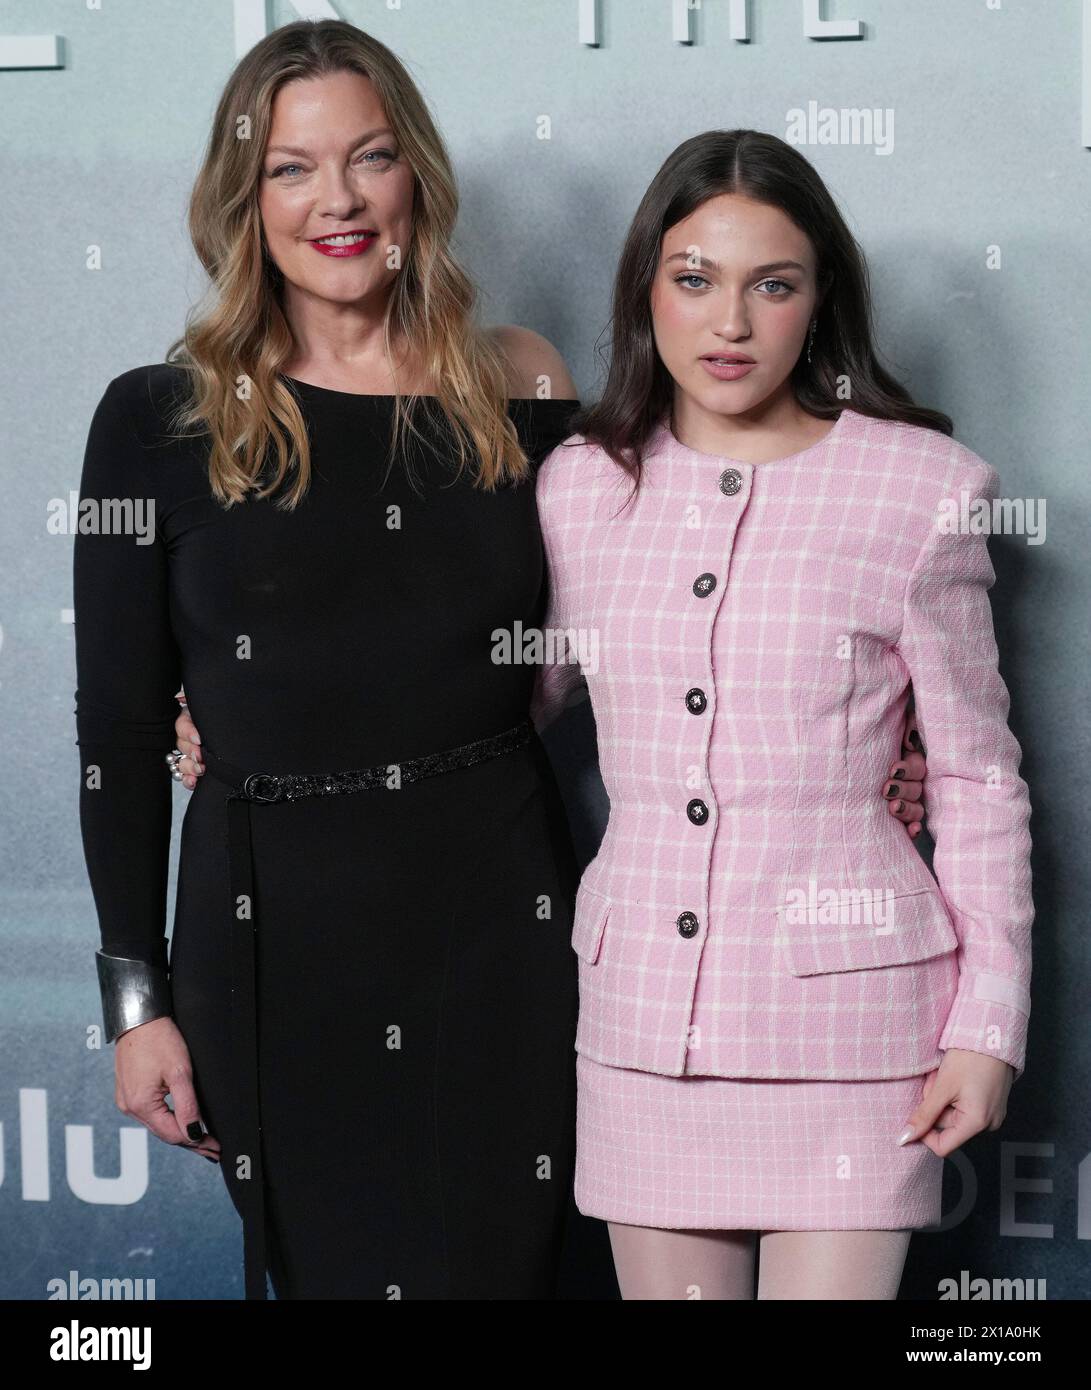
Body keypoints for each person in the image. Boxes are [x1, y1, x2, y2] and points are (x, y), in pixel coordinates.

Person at [74, 18, 586, 1300]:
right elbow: (122, 734)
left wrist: (878, 744)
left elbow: (622, 637)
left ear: (416, 173)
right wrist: (136, 1005)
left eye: (368, 158)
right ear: (243, 199)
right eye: (291, 169)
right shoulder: (157, 417)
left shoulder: (520, 383)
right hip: (272, 933)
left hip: (500, 918)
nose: (338, 201)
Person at [528, 129, 1034, 1300]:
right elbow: (503, 705)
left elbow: (974, 776)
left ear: (820, 304)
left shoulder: (919, 489)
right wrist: (261, 712)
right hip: (644, 1022)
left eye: (773, 284)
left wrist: (988, 1022)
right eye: (693, 280)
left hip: (855, 1031)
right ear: (645, 290)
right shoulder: (579, 485)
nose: (729, 325)